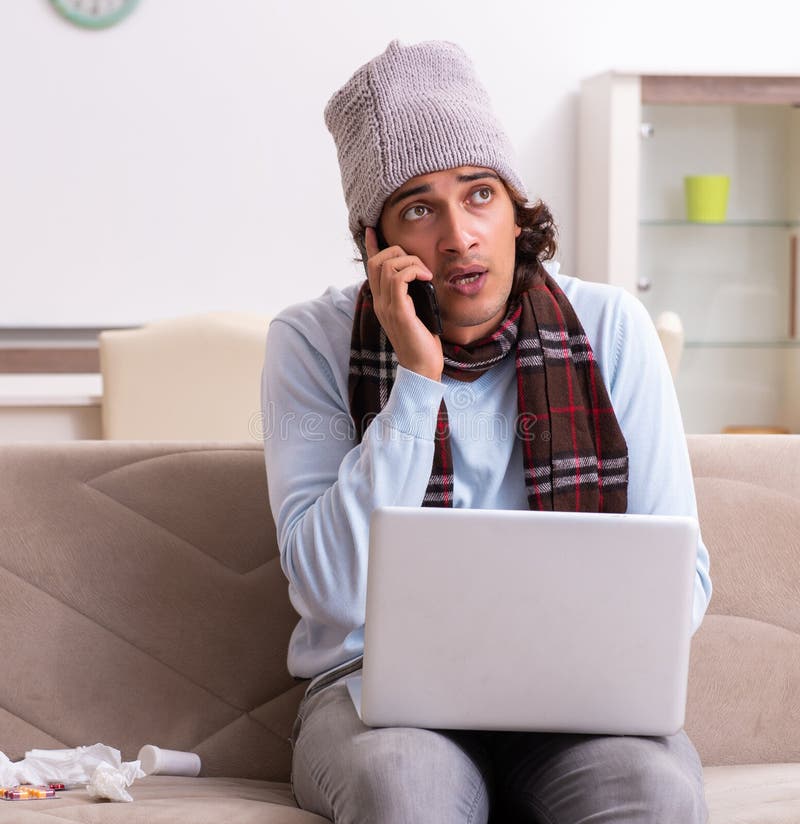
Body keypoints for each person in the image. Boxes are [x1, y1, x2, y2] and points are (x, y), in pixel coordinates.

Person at [261, 38, 712, 824]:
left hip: (581, 697)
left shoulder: (612, 327)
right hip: (377, 698)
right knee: (405, 789)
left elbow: (683, 580)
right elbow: (328, 588)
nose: (459, 236)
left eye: (478, 195)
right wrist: (415, 382)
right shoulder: (309, 341)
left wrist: (586, 653)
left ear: (514, 207)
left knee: (656, 796)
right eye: (418, 208)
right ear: (376, 242)